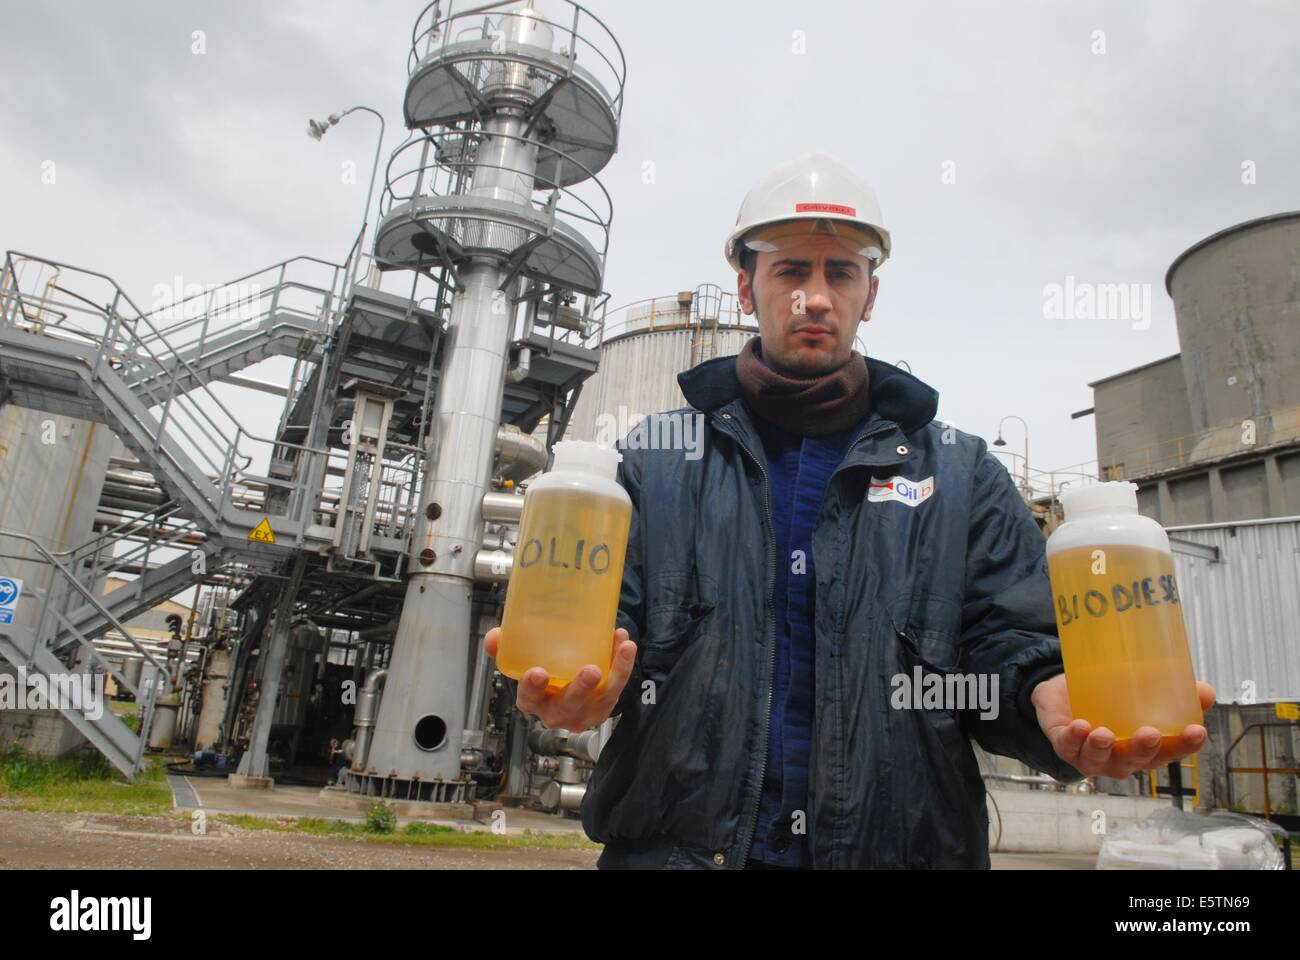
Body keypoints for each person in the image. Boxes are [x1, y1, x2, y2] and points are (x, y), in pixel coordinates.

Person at [483, 152, 1215, 869]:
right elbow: (603, 634)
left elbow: (1012, 651)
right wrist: (574, 693)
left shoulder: (959, 476)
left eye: (841, 272)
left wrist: (1046, 702)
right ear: (746, 287)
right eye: (790, 271)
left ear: (872, 293)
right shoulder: (654, 464)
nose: (816, 298)